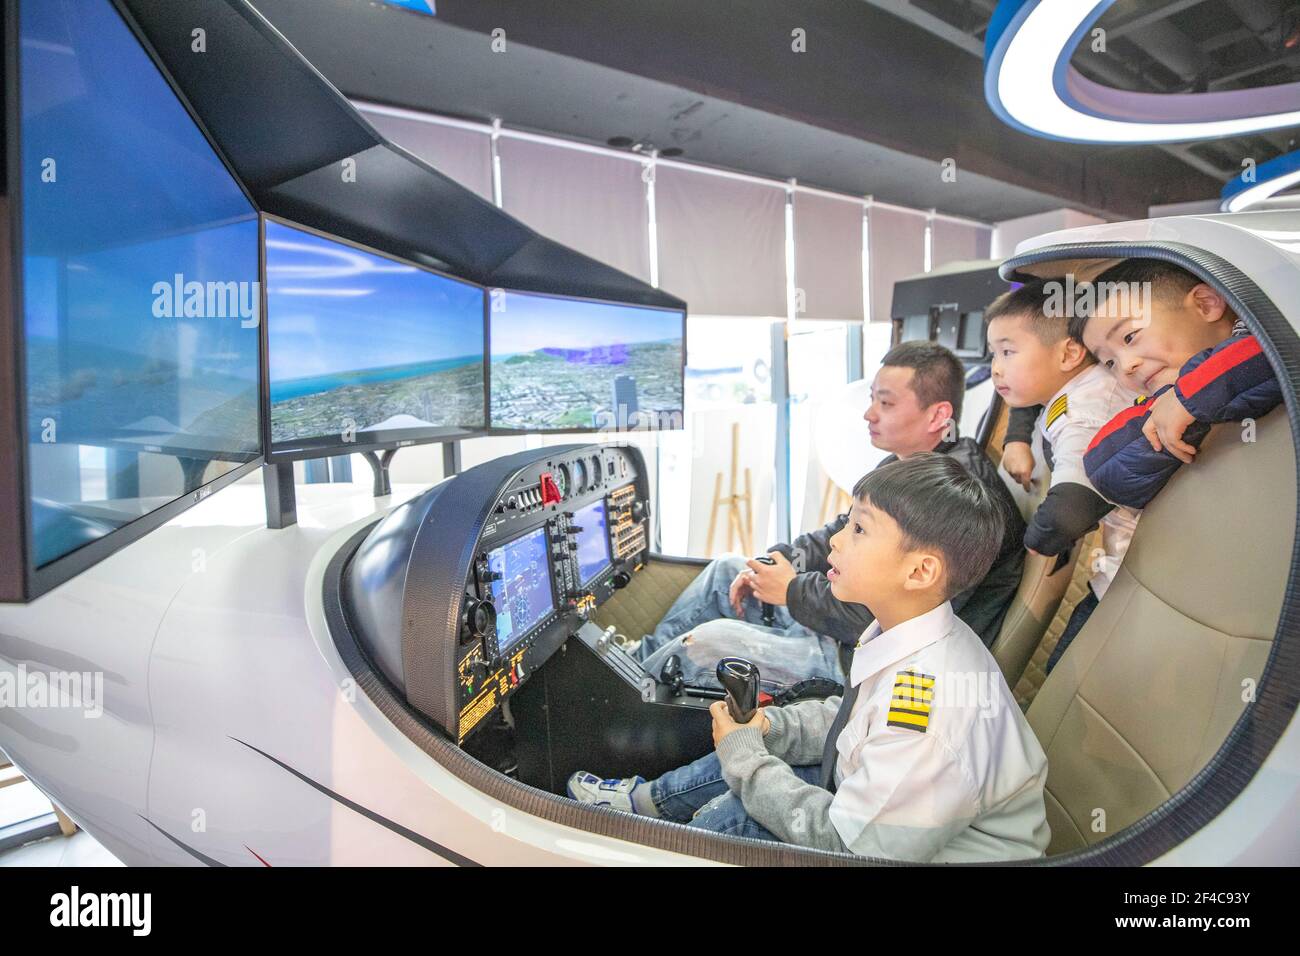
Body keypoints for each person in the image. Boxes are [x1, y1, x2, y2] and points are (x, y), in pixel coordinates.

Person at [568, 454, 1049, 861]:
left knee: (733, 819)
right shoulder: (904, 631)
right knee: (754, 746)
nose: (837, 540)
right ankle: (642, 805)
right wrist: (771, 729)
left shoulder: (929, 720)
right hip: (882, 819)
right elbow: (851, 722)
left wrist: (747, 757)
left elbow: (848, 849)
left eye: (860, 529)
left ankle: (650, 839)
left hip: (876, 851)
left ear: (920, 571)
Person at [636, 341, 1026, 691]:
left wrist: (791, 591)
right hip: (843, 628)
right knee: (728, 571)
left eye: (886, 404)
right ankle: (632, 668)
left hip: (867, 655)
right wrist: (777, 563)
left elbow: (888, 615)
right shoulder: (907, 466)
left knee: (706, 645)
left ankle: (625, 701)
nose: (868, 414)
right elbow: (835, 534)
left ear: (938, 415)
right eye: (872, 399)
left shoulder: (956, 500)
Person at [985, 279, 1140, 675]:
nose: (995, 368)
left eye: (1007, 352)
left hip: (1130, 582)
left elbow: (1070, 510)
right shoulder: (1079, 391)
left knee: (1066, 674)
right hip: (1125, 571)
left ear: (1069, 352)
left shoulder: (1085, 408)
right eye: (993, 354)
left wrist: (1033, 544)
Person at [1078, 258, 1283, 510]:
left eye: (1130, 336)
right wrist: (1172, 418)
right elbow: (1105, 466)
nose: (1126, 366)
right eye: (1110, 363)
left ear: (1205, 304)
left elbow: (1274, 350)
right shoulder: (1166, 399)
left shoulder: (1276, 322)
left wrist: (1192, 399)